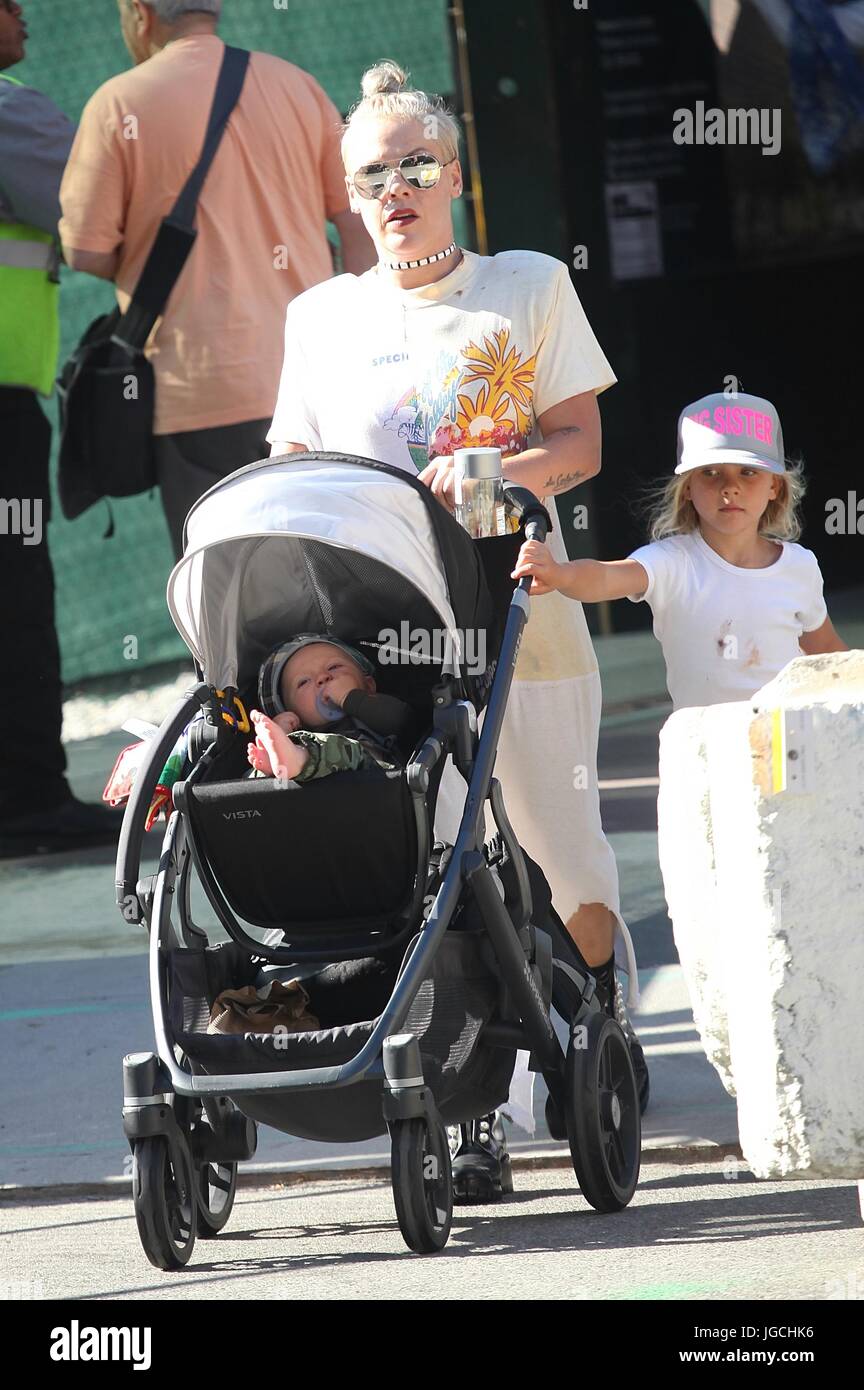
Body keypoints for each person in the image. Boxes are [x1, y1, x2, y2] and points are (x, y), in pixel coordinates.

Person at [266, 59, 648, 1195]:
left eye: (417, 165)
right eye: (373, 173)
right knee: (432, 880)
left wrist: (493, 469)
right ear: (349, 193)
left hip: (521, 618)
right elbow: (290, 464)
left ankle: (600, 1036)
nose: (396, 189)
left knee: (557, 849)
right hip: (387, 639)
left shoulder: (524, 285)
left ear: (455, 174)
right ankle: (469, 1113)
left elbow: (580, 443)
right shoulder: (321, 317)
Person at [59, 0, 375, 558]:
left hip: (197, 392)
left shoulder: (118, 103)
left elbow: (84, 250)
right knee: (325, 572)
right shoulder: (295, 86)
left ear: (139, 11)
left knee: (222, 587)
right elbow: (357, 221)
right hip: (312, 384)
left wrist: (145, 256)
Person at [0, 0, 125, 856]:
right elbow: (92, 219)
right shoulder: (7, 111)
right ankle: (28, 799)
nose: (22, 16)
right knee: (15, 592)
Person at [513, 391, 848, 708]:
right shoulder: (671, 562)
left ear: (774, 486)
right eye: (711, 473)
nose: (730, 487)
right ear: (688, 488)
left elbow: (829, 654)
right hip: (703, 754)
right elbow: (605, 577)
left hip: (786, 750)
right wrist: (558, 572)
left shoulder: (800, 567)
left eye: (748, 472)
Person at [248, 635, 415, 783]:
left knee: (346, 750)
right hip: (311, 797)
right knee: (254, 773)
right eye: (303, 682)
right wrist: (282, 733)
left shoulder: (376, 711)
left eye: (334, 667)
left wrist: (351, 698)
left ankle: (298, 758)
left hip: (379, 774)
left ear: (368, 684)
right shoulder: (301, 734)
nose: (323, 678)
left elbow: (402, 720)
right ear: (290, 713)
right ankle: (270, 767)